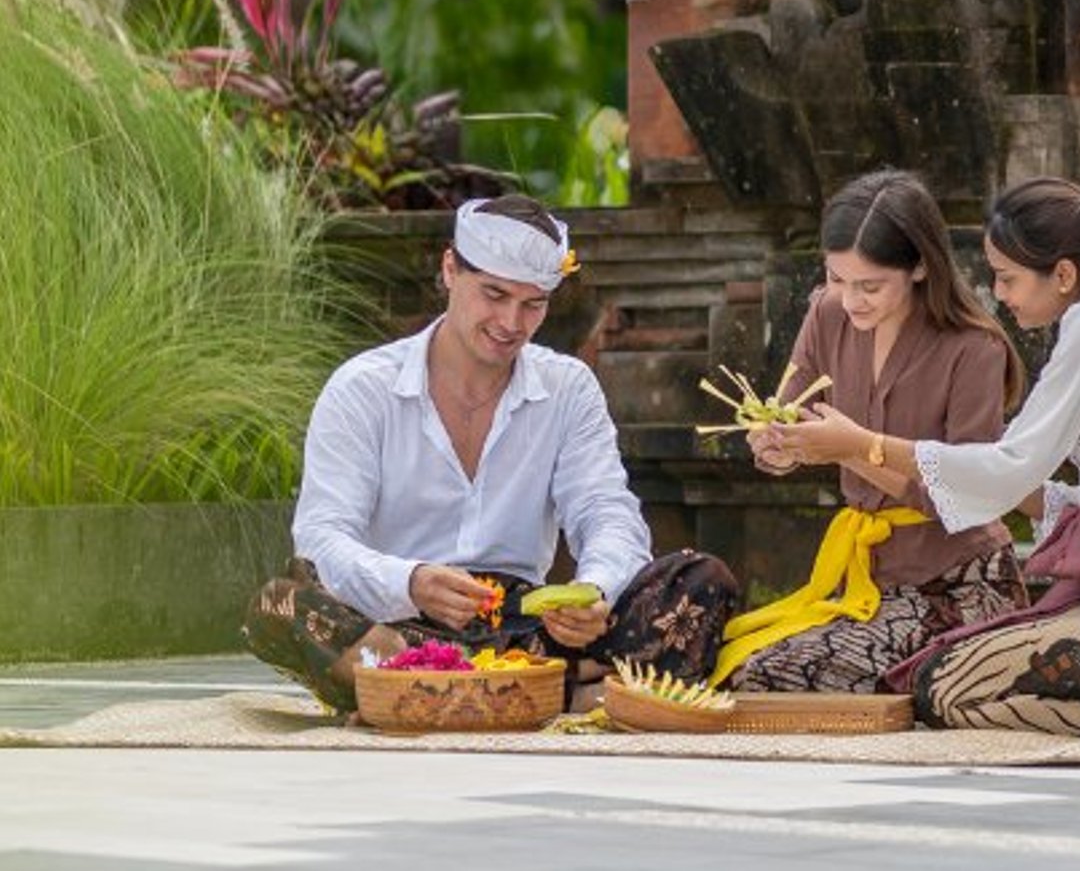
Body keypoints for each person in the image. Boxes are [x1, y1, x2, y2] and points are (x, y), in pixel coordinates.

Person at [773, 177, 1080, 737]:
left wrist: (861, 446)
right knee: (943, 676)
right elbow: (1023, 477)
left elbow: (1009, 468)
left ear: (1063, 276)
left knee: (940, 686)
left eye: (1008, 277)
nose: (999, 293)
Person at [243, 194, 739, 714]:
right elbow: (322, 539)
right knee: (278, 606)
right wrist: (411, 582)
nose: (511, 322)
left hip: (531, 630)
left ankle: (418, 693)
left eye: (533, 304)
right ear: (450, 268)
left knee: (700, 583)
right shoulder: (363, 389)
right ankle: (565, 696)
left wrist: (595, 591)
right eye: (495, 295)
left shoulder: (568, 387)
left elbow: (607, 513)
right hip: (394, 624)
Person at [712, 169, 1032, 693]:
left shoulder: (975, 349)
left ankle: (953, 675)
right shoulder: (827, 314)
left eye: (871, 286)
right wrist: (777, 445)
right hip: (865, 581)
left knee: (771, 674)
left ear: (920, 268)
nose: (851, 299)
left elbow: (971, 498)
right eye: (837, 279)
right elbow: (795, 416)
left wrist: (856, 451)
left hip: (953, 585)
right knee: (726, 655)